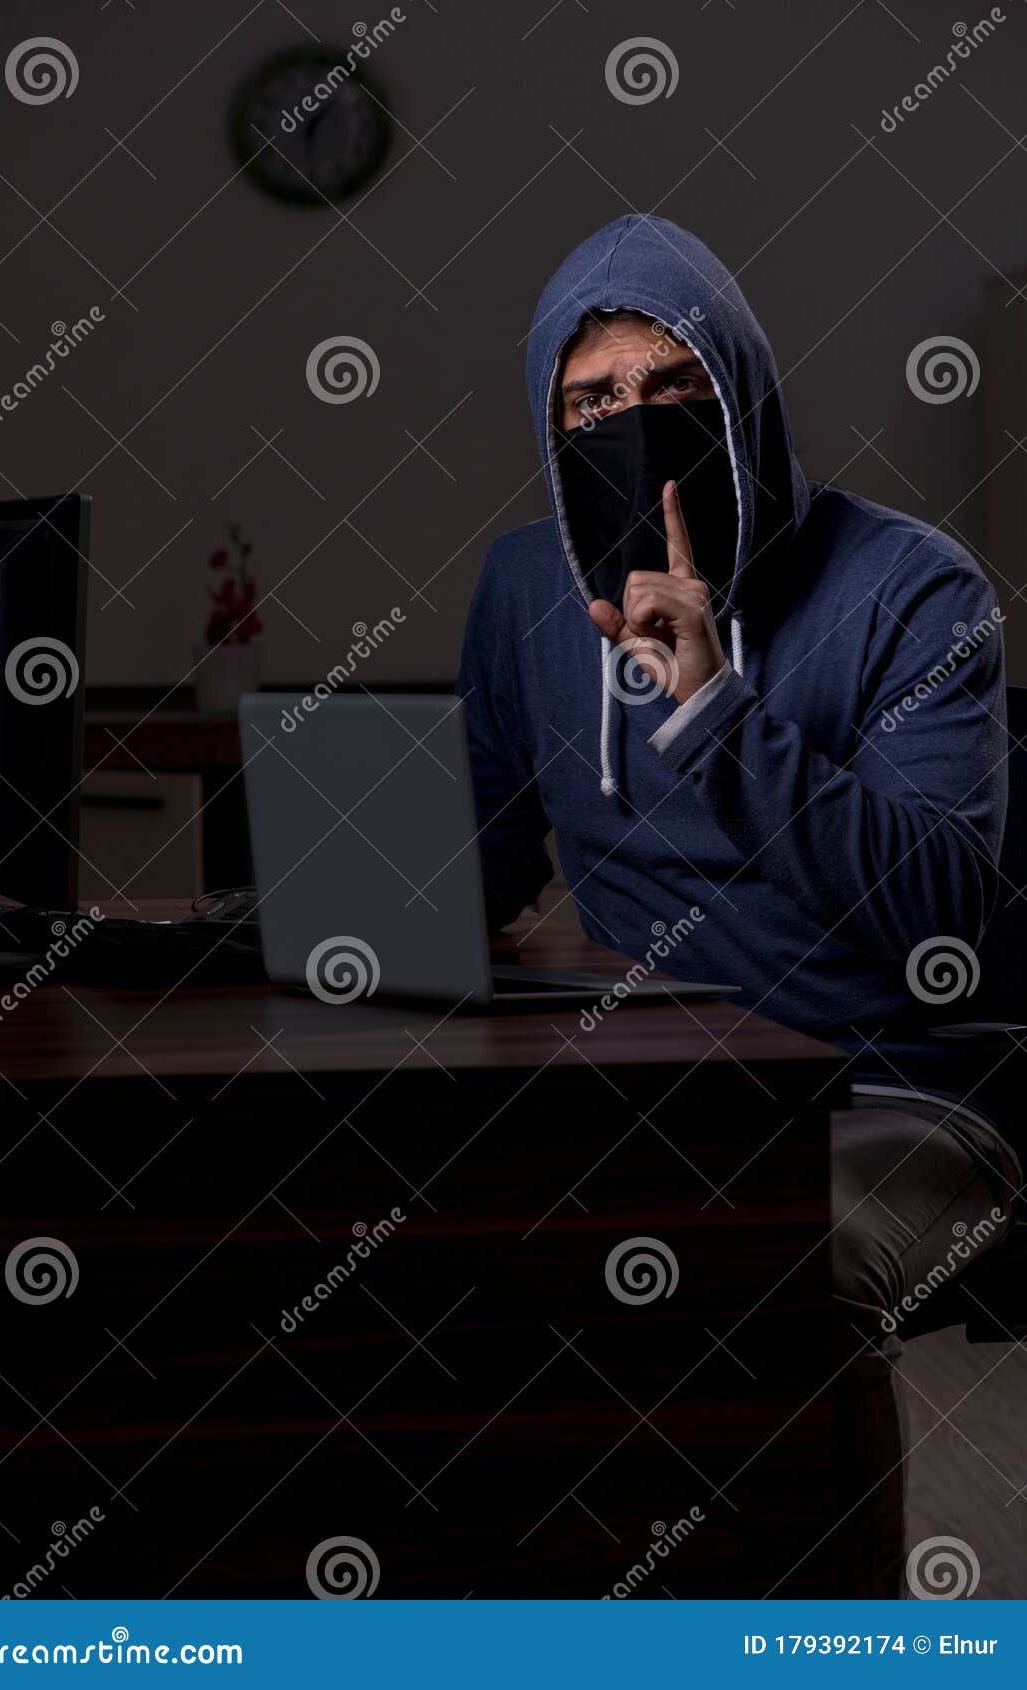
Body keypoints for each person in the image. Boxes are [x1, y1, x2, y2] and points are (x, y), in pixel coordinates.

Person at [457, 214, 1021, 1595]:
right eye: (590, 403)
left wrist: (719, 714)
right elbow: (477, 866)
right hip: (643, 1086)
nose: (629, 427)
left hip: (888, 1093)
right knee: (426, 1246)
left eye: (670, 390)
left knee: (763, 1266)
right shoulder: (529, 590)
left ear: (744, 393)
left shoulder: (911, 587)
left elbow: (948, 909)